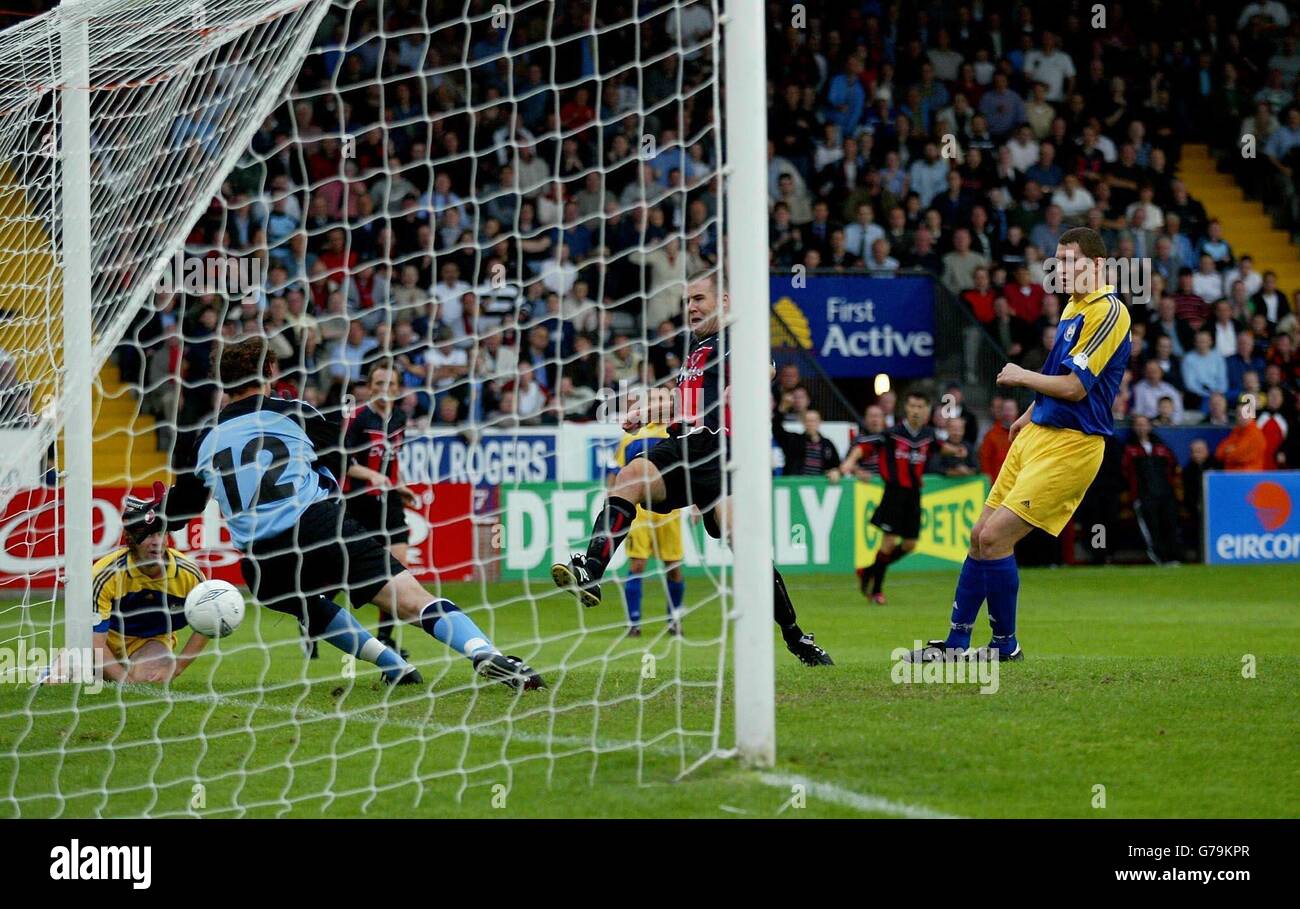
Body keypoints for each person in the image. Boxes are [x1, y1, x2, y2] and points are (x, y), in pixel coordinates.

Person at [163, 337, 544, 690]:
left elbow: (185, 507)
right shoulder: (295, 411)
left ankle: (395, 666)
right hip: (317, 525)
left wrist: (149, 516)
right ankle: (485, 654)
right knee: (409, 598)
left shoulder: (204, 438)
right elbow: (342, 458)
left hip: (264, 558)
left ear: (222, 382)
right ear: (270, 373)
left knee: (307, 605)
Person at [550, 270, 833, 666]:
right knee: (628, 478)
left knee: (745, 546)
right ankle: (591, 569)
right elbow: (689, 404)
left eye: (699, 298)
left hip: (725, 452)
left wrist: (750, 383)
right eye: (687, 301)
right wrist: (645, 412)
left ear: (725, 301)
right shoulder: (695, 351)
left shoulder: (738, 338)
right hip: (687, 445)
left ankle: (796, 636)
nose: (691, 307)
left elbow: (764, 368)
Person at [906, 228, 1131, 663]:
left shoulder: (1108, 311)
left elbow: (1074, 386)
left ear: (1099, 267)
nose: (1063, 271)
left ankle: (1005, 646)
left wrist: (1021, 375)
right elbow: (1057, 375)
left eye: (1072, 263)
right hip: (1039, 434)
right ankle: (956, 644)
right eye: (1059, 262)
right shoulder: (1073, 307)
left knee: (995, 538)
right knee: (978, 537)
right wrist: (1028, 415)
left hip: (1073, 445)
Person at [88, 487, 211, 683]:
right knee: (55, 681)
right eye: (149, 535)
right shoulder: (105, 574)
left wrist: (178, 667)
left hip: (149, 644)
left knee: (151, 677)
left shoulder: (188, 573)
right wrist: (125, 680)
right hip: (102, 646)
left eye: (161, 533)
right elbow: (95, 642)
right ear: (132, 540)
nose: (157, 542)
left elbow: (208, 621)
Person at [856, 391, 962, 604]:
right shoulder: (893, 433)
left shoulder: (928, 435)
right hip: (894, 493)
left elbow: (940, 448)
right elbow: (865, 447)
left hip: (914, 495)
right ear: (906, 408)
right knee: (888, 542)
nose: (915, 410)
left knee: (911, 544)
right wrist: (849, 465)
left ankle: (868, 570)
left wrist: (957, 451)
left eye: (920, 406)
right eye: (912, 406)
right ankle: (877, 590)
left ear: (927, 410)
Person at [344, 363, 419, 656]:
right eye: (378, 383)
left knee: (396, 563)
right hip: (360, 500)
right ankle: (312, 619)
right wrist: (371, 475)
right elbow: (343, 461)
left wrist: (399, 486)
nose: (384, 389)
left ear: (398, 388)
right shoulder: (358, 418)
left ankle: (386, 637)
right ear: (370, 387)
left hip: (389, 500)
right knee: (347, 569)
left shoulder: (400, 417)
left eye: (390, 383)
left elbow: (391, 463)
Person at [614, 423, 686, 637]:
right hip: (639, 509)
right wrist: (613, 500)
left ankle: (674, 620)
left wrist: (698, 504)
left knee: (673, 566)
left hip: (670, 507)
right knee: (638, 563)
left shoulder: (676, 433)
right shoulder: (630, 437)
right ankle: (633, 623)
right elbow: (618, 471)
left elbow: (689, 471)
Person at [1122, 415, 1182, 565]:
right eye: (1138, 424)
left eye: (1144, 424)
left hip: (1165, 494)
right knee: (1151, 528)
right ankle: (1158, 557)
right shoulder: (1130, 449)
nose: (1141, 428)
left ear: (1149, 426)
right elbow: (1125, 472)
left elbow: (1173, 467)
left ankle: (1174, 557)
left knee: (1170, 524)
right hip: (1144, 496)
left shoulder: (1161, 448)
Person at [772, 407, 842, 476]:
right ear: (803, 422)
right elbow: (777, 429)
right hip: (797, 485)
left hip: (819, 486)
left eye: (813, 420)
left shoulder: (827, 445)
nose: (810, 424)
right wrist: (782, 409)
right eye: (807, 420)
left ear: (819, 422)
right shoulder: (794, 441)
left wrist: (835, 472)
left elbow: (836, 466)